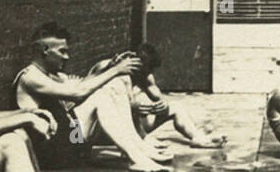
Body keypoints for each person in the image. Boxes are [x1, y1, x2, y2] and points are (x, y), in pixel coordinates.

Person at [13, 23, 168, 172]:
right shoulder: (30, 77)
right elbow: (78, 93)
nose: (67, 57)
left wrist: (109, 68)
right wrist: (116, 70)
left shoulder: (49, 74)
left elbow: (81, 86)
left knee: (112, 86)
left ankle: (138, 148)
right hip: (51, 154)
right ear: (45, 50)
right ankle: (136, 157)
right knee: (102, 95)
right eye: (62, 52)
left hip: (69, 140)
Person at [88, 42, 225, 157]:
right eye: (145, 70)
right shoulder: (108, 68)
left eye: (149, 71)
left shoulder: (145, 74)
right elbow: (92, 100)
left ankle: (197, 137)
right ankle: (137, 145)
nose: (147, 74)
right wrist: (135, 107)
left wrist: (160, 106)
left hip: (130, 124)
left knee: (176, 107)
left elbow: (160, 99)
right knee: (131, 107)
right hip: (104, 128)